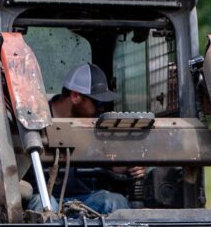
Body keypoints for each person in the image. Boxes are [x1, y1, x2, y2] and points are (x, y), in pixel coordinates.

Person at [27, 63, 144, 214]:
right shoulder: (35, 119)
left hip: (88, 198)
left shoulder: (96, 122)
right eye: (98, 102)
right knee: (44, 205)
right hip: (46, 195)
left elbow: (112, 160)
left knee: (116, 202)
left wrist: (129, 167)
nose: (101, 108)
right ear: (75, 96)